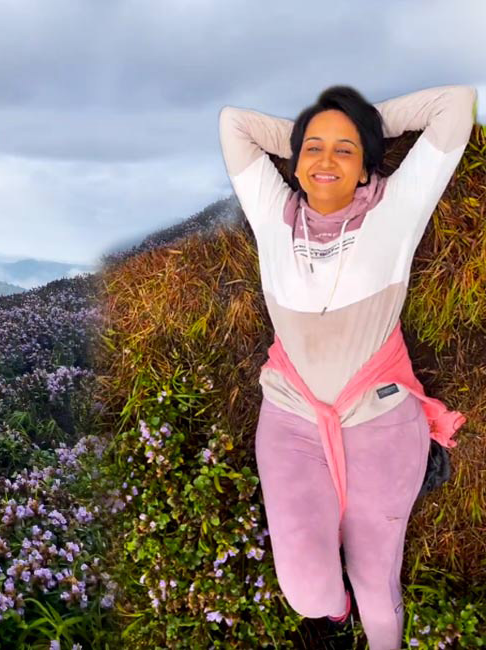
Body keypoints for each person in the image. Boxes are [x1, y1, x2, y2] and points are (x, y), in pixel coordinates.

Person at [219, 84, 476, 648]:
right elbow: (233, 123)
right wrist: (328, 131)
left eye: (345, 150)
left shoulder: (395, 209)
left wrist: (361, 123)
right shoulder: (273, 212)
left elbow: (456, 104)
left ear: (366, 168)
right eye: (313, 148)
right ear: (295, 163)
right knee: (306, 589)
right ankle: (335, 622)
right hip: (291, 414)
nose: (327, 160)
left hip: (378, 417)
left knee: (377, 588)